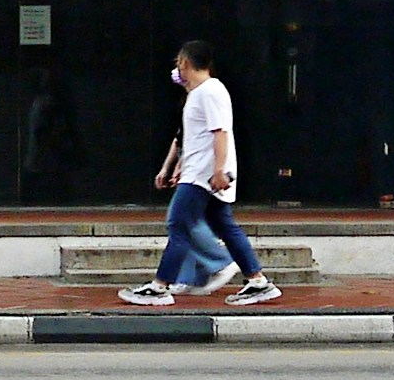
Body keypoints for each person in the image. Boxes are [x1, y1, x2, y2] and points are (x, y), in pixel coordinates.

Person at [119, 39, 278, 306]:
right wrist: (181, 166)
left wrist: (218, 170)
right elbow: (195, 138)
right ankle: (258, 280)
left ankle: (160, 286)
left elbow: (220, 133)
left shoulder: (210, 91)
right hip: (199, 172)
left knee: (178, 224)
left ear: (185, 62)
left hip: (203, 176)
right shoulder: (200, 93)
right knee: (224, 226)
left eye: (178, 63)